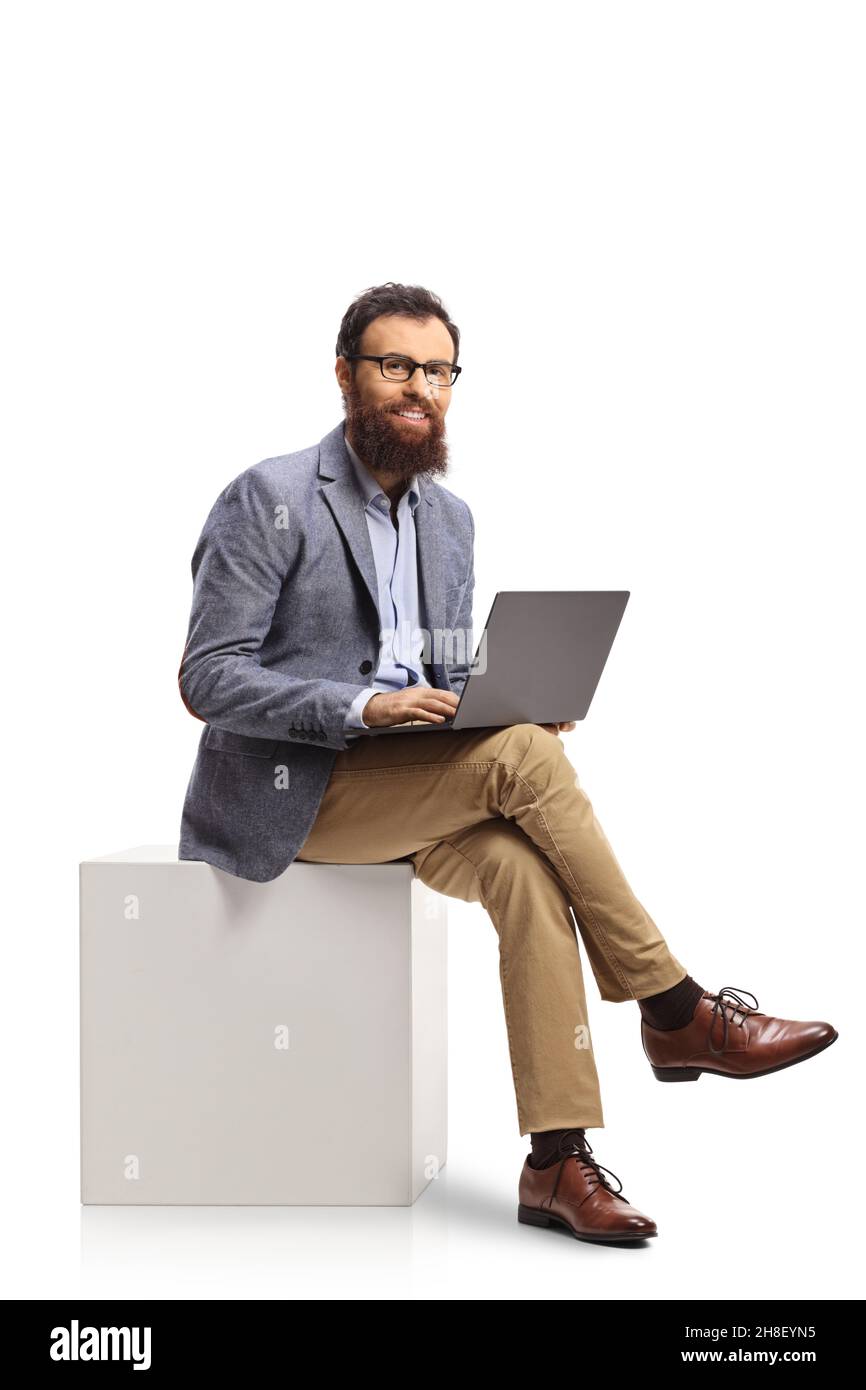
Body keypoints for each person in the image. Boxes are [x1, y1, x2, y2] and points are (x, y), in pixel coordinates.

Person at [177, 281, 838, 1245]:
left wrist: (504, 704)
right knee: (518, 758)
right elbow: (210, 676)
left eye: (437, 371)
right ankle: (675, 1006)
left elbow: (448, 670)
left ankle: (555, 1163)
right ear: (345, 376)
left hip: (414, 778)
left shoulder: (451, 519)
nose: (419, 389)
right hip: (297, 795)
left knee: (526, 870)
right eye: (395, 366)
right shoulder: (270, 497)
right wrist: (364, 704)